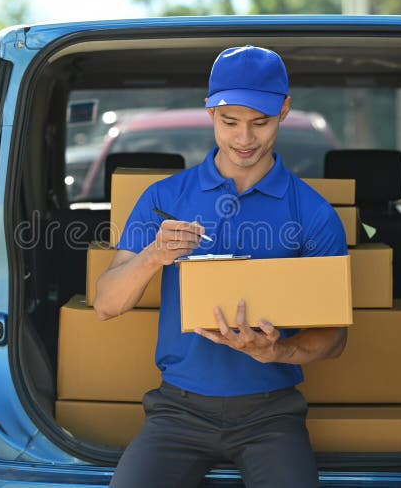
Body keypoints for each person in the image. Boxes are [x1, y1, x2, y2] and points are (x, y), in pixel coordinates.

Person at [93, 45, 349, 488]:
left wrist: (276, 352)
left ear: (284, 110)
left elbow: (336, 338)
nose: (244, 139)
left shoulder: (312, 213)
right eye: (230, 122)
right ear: (210, 111)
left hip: (270, 414)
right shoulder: (164, 198)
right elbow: (105, 304)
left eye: (260, 122)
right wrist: (154, 256)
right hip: (178, 411)